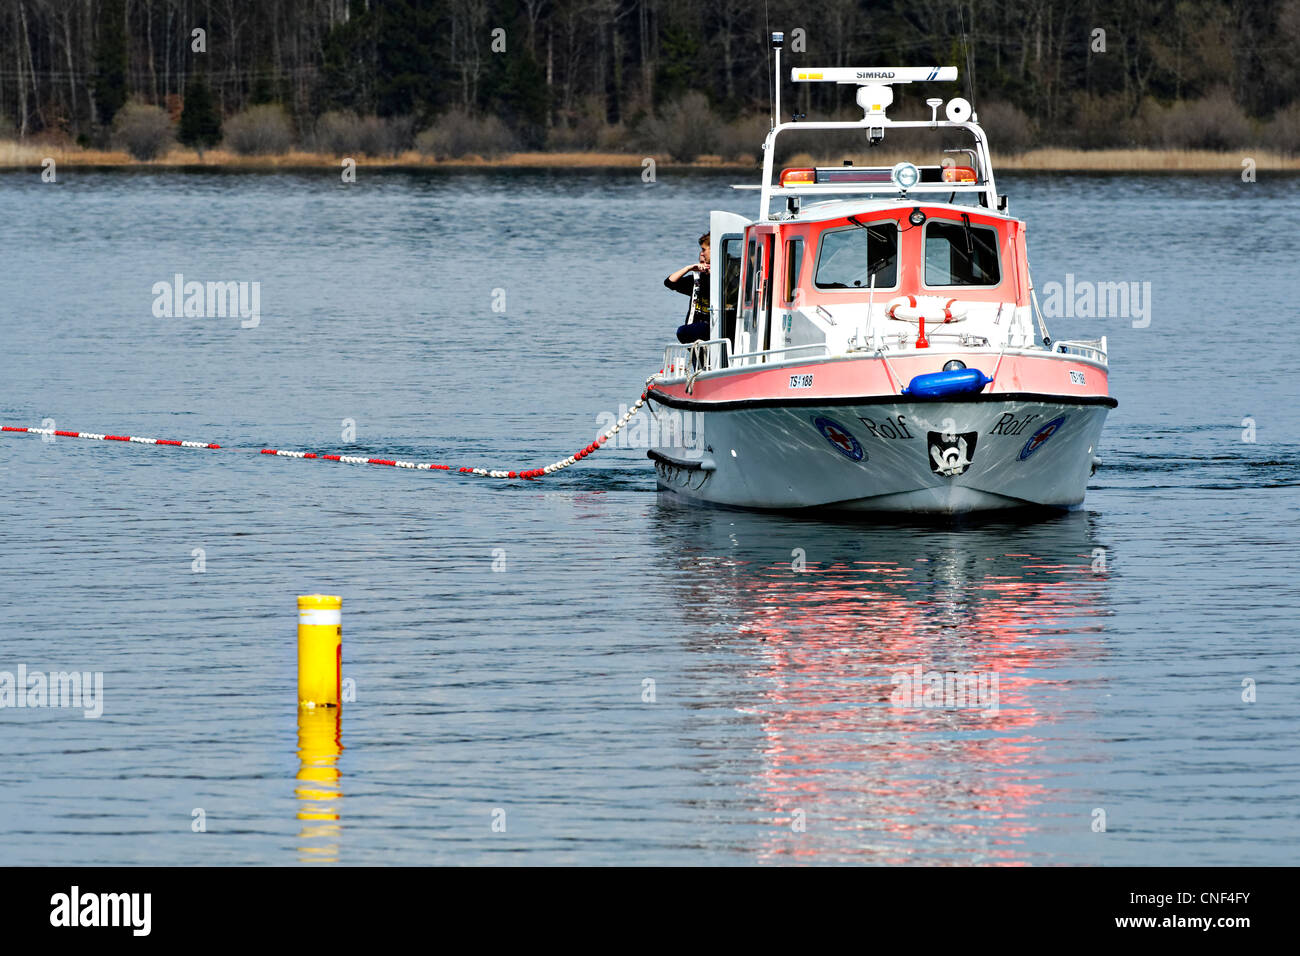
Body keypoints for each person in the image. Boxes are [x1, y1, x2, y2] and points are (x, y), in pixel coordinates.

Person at [664, 233, 711, 343]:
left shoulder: (724, 277)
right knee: (682, 332)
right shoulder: (696, 280)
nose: (703, 265)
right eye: (701, 263)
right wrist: (688, 268)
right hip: (695, 333)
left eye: (706, 262)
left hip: (712, 328)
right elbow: (669, 282)